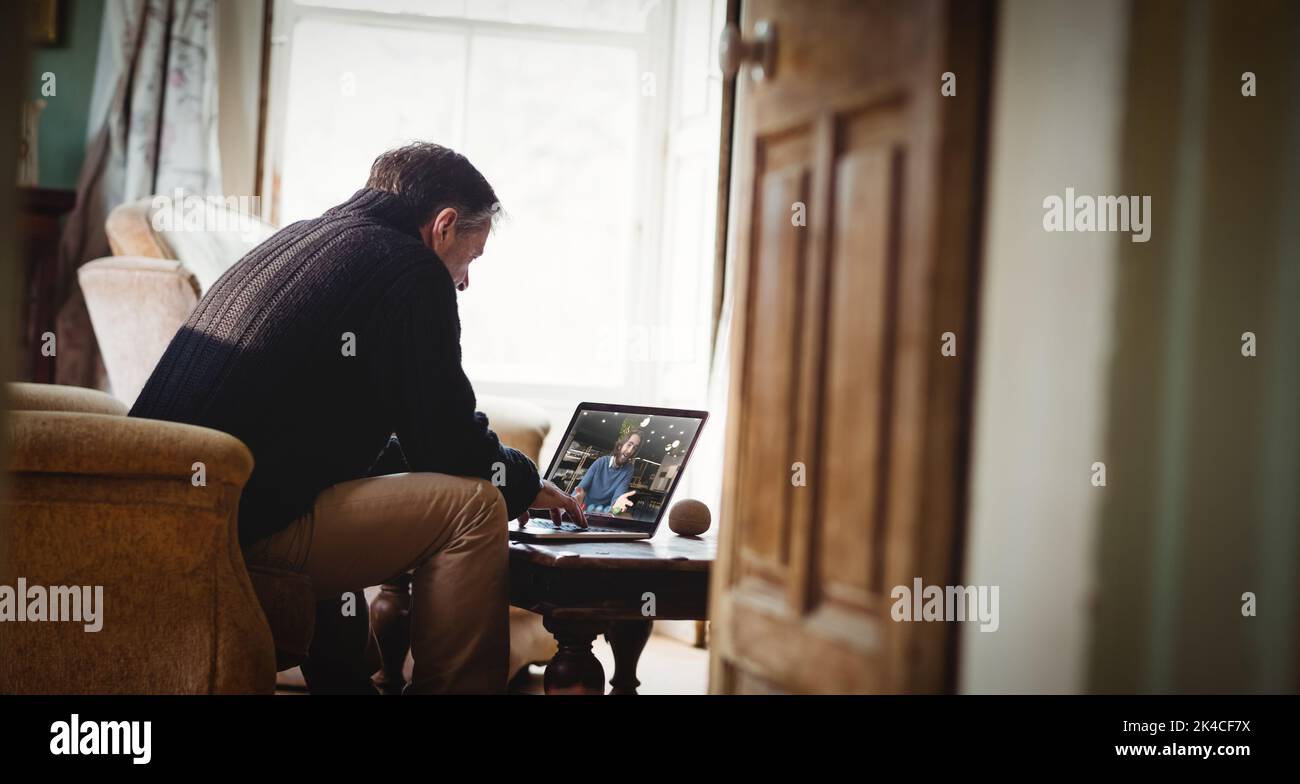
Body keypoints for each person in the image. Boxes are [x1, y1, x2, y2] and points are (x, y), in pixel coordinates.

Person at [129, 142, 585, 694]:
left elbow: (346, 441)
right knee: (474, 508)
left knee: (385, 482)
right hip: (228, 530)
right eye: (472, 256)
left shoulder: (299, 239)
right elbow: (450, 448)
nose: (464, 280)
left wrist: (519, 478)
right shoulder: (411, 272)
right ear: (443, 225)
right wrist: (523, 480)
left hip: (163, 517)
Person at [573, 430, 642, 515]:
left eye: (634, 448)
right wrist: (575, 498)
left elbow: (617, 499)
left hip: (603, 515)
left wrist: (617, 506)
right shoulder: (601, 462)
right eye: (629, 445)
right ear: (620, 445)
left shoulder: (628, 470)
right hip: (584, 511)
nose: (630, 450)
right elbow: (581, 488)